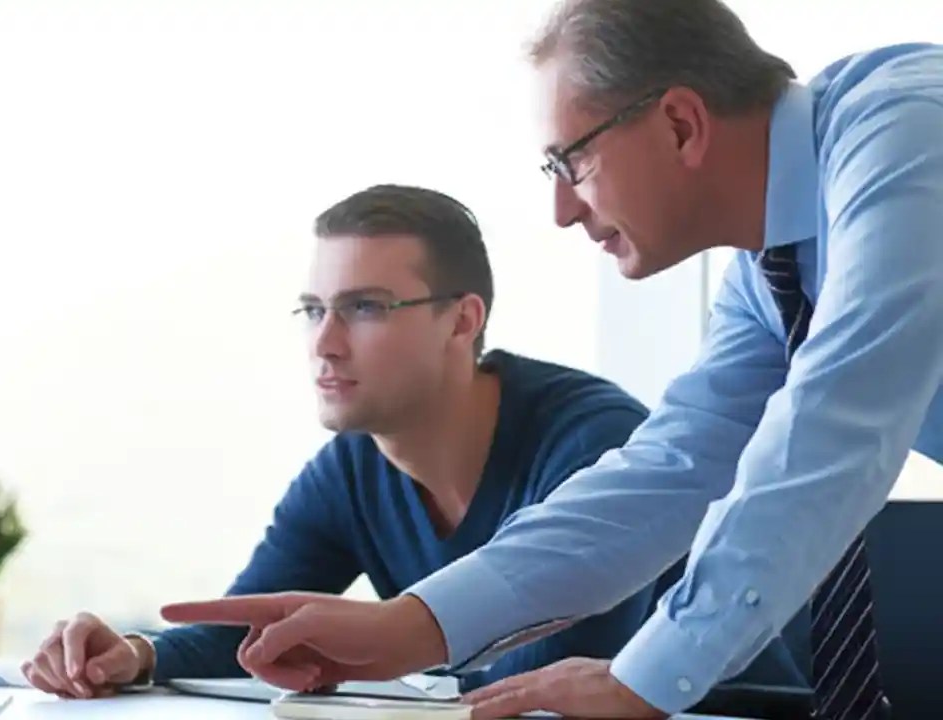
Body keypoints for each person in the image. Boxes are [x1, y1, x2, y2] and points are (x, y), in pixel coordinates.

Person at [161, 3, 943, 720]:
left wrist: (648, 675)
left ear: (679, 124)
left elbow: (834, 426)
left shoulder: (907, 135)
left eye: (571, 162)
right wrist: (415, 623)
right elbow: (671, 469)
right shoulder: (772, 271)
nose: (562, 209)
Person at [23, 184, 677, 700]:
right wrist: (135, 654)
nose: (325, 342)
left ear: (462, 319)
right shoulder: (354, 465)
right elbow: (249, 638)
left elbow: (543, 685)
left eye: (364, 307)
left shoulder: (594, 444)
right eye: (314, 309)